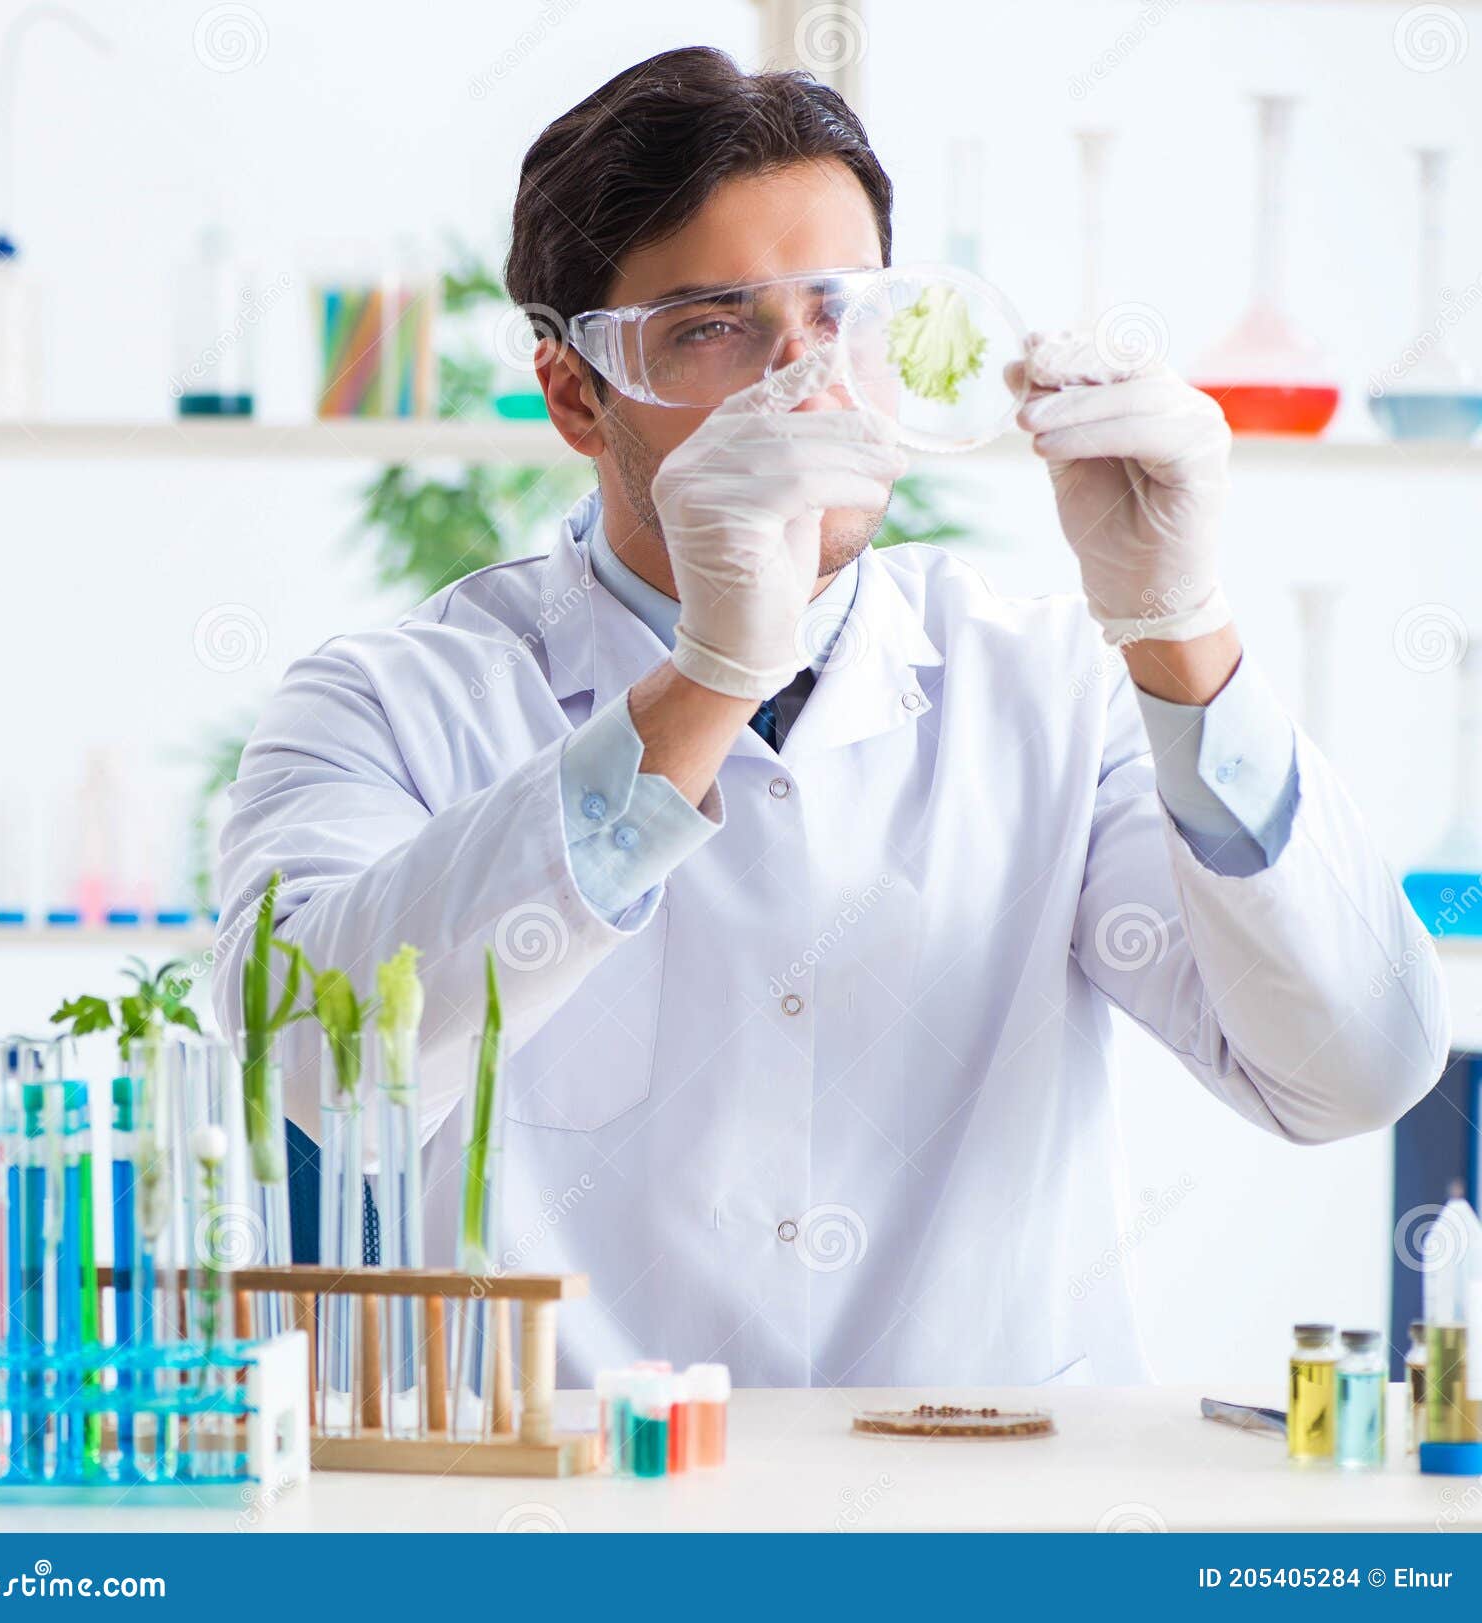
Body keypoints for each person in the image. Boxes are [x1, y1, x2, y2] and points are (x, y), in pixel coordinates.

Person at [216, 47, 1447, 1385]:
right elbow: (314, 1076)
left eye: (845, 317)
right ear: (575, 393)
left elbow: (1353, 1072)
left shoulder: (1044, 684)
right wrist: (701, 687)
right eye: (711, 327)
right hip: (582, 1540)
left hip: (987, 1548)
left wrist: (1183, 633)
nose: (803, 380)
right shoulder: (389, 704)